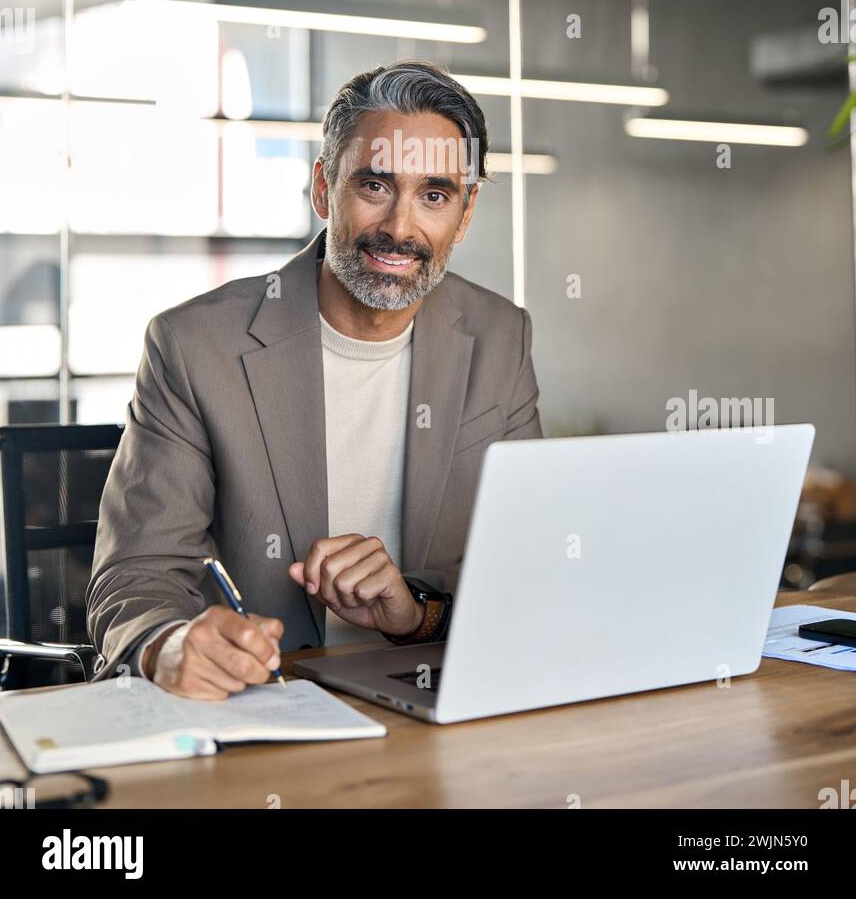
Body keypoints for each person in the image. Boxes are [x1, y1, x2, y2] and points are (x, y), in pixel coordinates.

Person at [87, 59, 542, 698]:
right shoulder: (193, 346)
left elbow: (525, 565)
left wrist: (416, 615)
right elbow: (136, 573)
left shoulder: (501, 337)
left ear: (464, 215)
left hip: (441, 701)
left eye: (434, 195)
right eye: (374, 187)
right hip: (261, 705)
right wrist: (169, 644)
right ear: (324, 189)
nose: (401, 228)